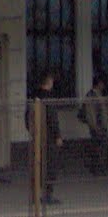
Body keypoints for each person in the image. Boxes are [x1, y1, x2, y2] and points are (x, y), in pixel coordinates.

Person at [27, 73, 63, 204]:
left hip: (37, 136)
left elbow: (27, 117)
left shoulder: (33, 97)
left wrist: (33, 130)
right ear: (49, 82)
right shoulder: (49, 98)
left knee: (37, 166)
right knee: (50, 165)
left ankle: (35, 195)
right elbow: (52, 118)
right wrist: (57, 135)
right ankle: (48, 194)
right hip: (49, 137)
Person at [77, 76, 108, 175]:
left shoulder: (99, 95)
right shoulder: (91, 96)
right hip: (97, 127)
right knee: (98, 148)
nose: (103, 86)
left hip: (102, 126)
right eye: (102, 83)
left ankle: (99, 167)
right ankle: (97, 168)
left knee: (101, 148)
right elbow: (90, 113)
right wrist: (95, 127)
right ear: (98, 84)